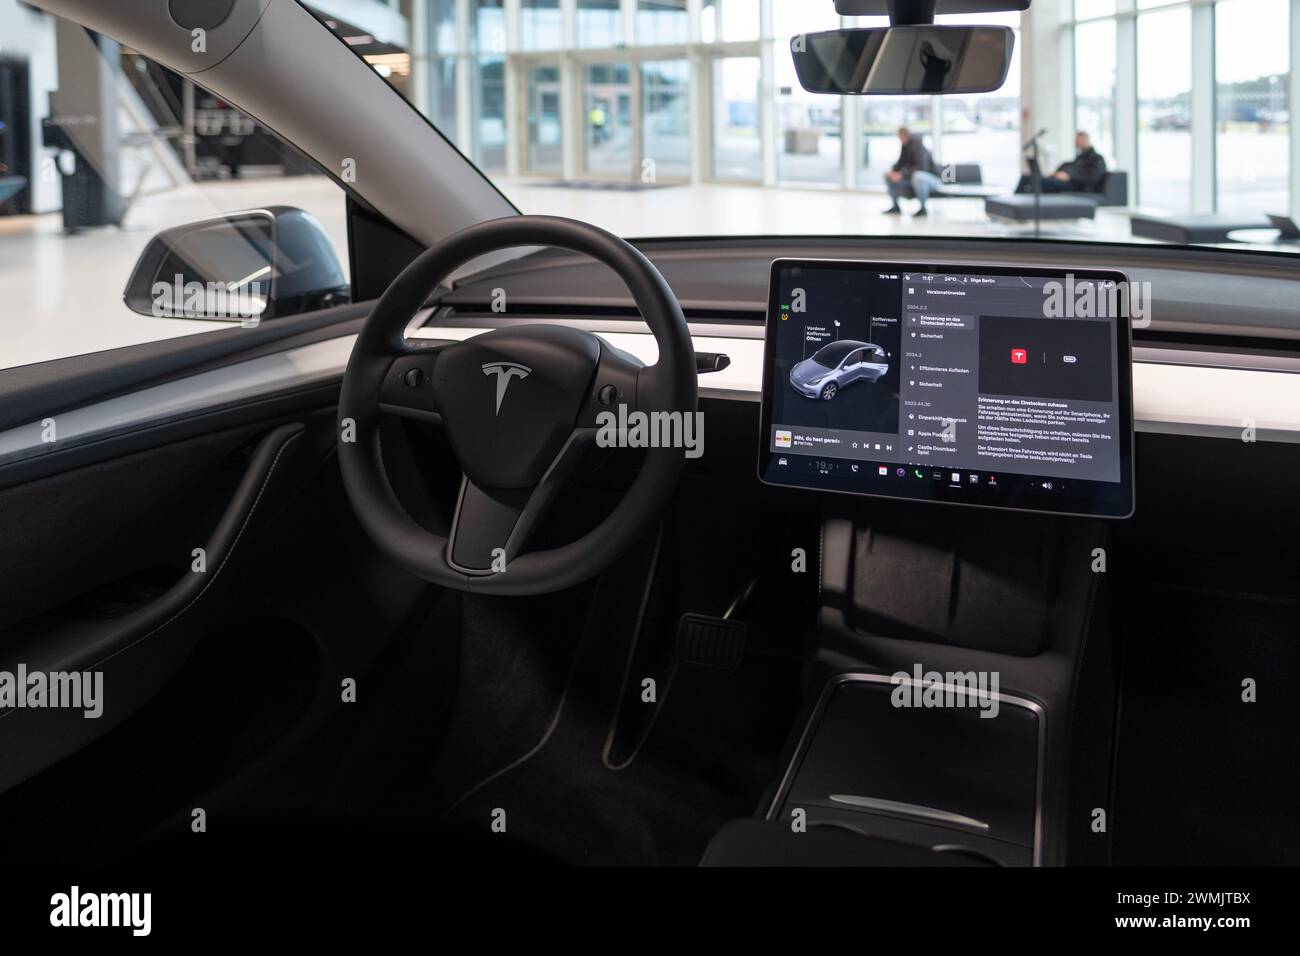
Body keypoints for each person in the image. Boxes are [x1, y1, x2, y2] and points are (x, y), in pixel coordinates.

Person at [1015, 131, 1107, 194]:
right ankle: (1015, 204)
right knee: (1027, 177)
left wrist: (1069, 176)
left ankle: (1027, 208)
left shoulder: (1097, 158)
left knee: (1038, 181)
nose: (1076, 143)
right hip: (1064, 181)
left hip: (1077, 185)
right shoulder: (1079, 157)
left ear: (1085, 139)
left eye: (1078, 140)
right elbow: (1067, 167)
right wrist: (1056, 174)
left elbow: (1092, 177)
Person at [883, 127, 942, 217]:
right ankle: (896, 207)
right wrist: (893, 172)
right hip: (912, 178)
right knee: (888, 177)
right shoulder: (905, 146)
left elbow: (922, 167)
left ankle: (923, 209)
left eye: (901, 137)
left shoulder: (919, 146)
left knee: (918, 176)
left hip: (931, 180)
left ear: (906, 135)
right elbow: (900, 162)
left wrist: (902, 174)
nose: (900, 140)